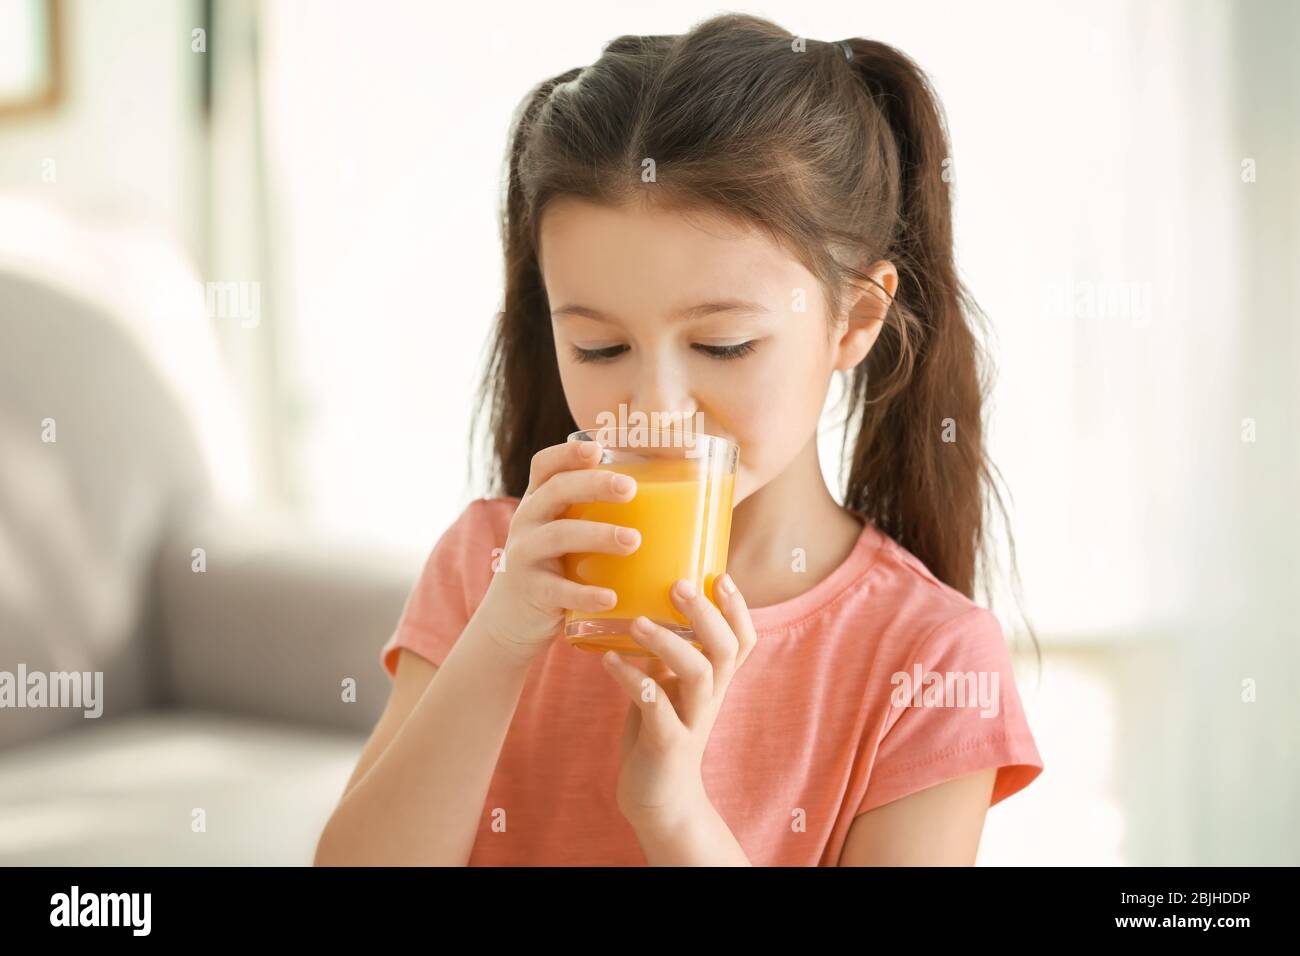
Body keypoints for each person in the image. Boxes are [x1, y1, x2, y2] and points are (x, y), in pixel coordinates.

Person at [315, 13, 1043, 866]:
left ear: (856, 318)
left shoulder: (927, 657)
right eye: (600, 347)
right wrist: (501, 639)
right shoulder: (489, 563)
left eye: (722, 345)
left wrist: (675, 817)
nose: (654, 407)